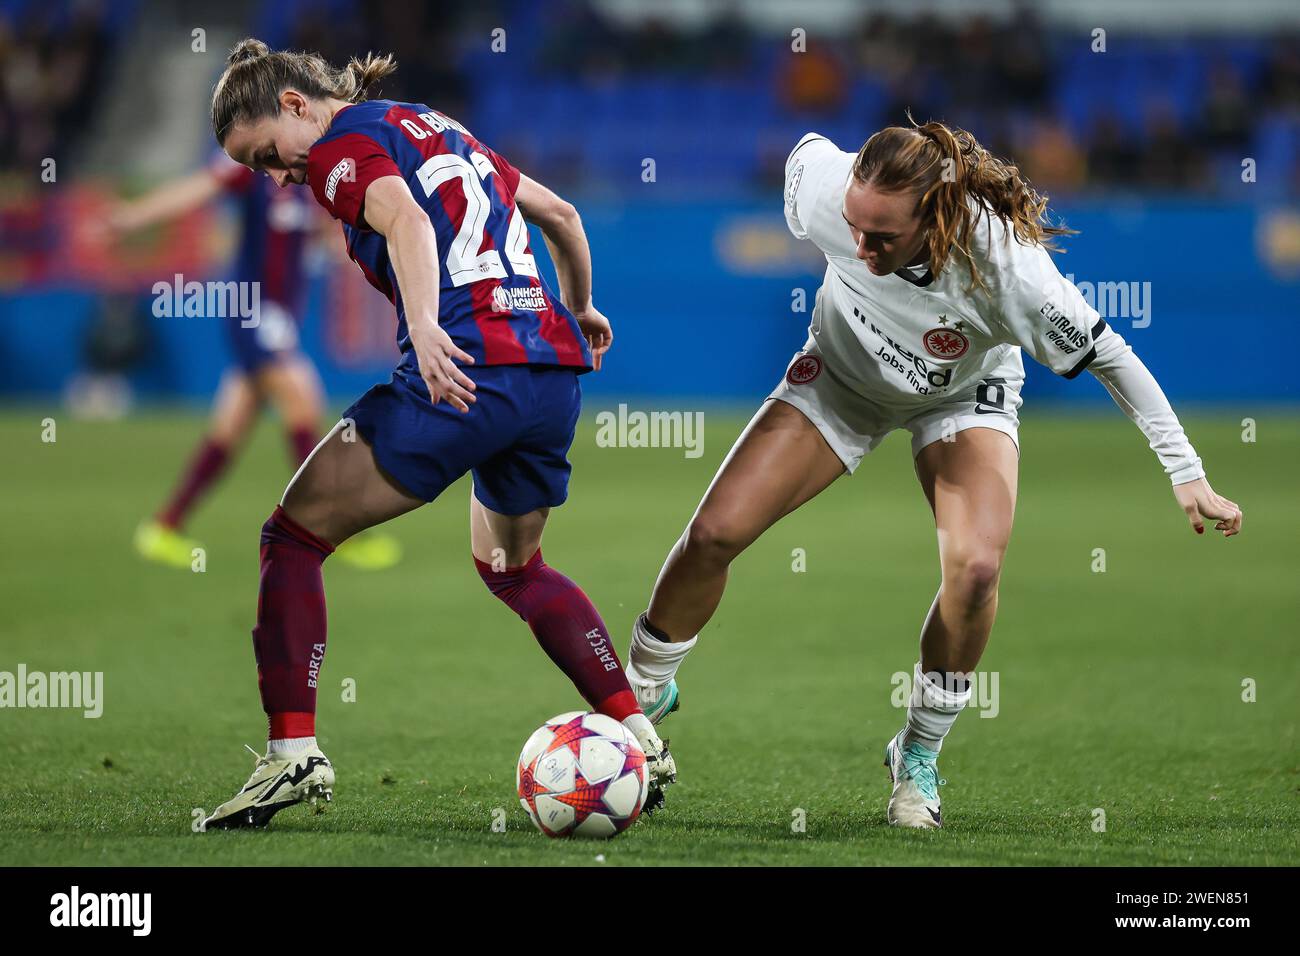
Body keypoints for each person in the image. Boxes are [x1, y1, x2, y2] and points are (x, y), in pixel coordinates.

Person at [622, 119, 1242, 829]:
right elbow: (804, 149)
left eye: (881, 237)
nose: (860, 246)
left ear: (934, 217)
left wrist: (1185, 471)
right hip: (841, 378)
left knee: (976, 570)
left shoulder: (1010, 271)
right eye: (853, 228)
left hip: (961, 397)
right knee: (712, 534)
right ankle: (639, 696)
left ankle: (916, 755)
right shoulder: (830, 191)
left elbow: (1113, 357)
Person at [201, 39, 673, 829]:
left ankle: (291, 757)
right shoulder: (436, 125)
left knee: (292, 538)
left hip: (462, 370)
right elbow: (561, 214)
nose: (278, 177)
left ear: (292, 105)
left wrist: (423, 326)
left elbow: (407, 221)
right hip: (550, 375)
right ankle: (639, 732)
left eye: (265, 157)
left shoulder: (338, 151)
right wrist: (581, 306)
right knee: (515, 569)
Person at [109, 149, 401, 571]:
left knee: (231, 426)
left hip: (279, 319)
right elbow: (199, 187)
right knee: (304, 403)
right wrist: (133, 217)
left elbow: (326, 233)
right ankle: (337, 526)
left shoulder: (306, 179)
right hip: (252, 314)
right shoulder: (252, 164)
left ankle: (164, 526)